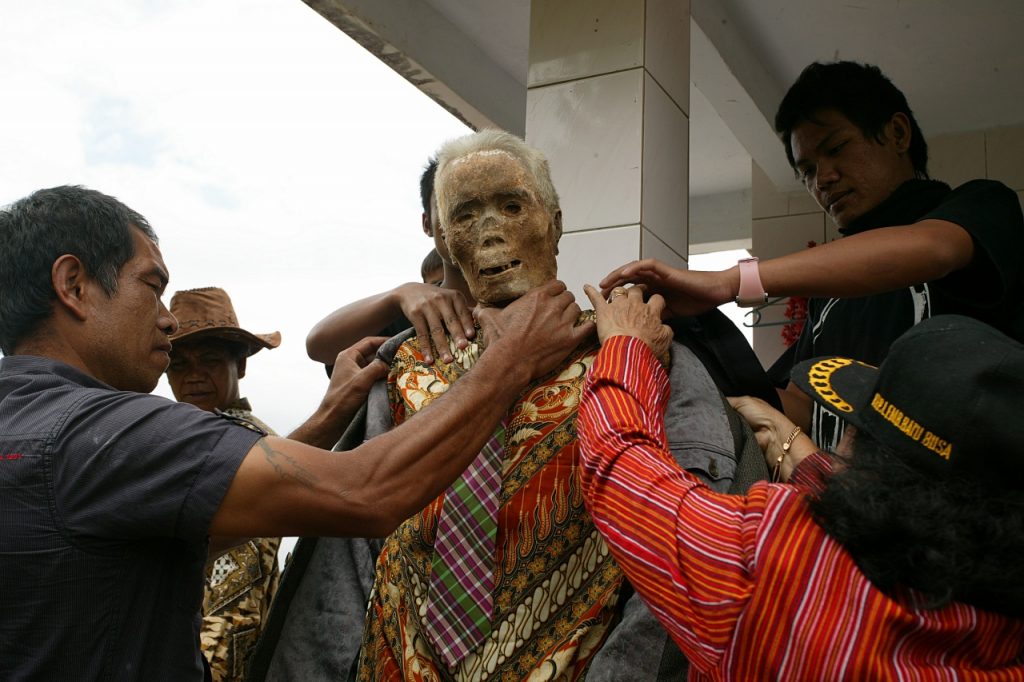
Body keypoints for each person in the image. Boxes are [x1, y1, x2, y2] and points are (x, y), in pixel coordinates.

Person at [0, 184, 590, 681]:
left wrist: (331, 417)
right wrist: (510, 363)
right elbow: (365, 491)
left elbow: (178, 529)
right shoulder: (108, 433)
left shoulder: (36, 426)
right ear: (74, 285)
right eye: (151, 286)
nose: (168, 318)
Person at [354, 130, 751, 681]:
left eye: (513, 205)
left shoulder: (634, 350)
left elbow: (687, 534)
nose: (491, 232)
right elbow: (356, 540)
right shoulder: (407, 367)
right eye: (466, 215)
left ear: (555, 222)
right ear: (443, 239)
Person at [577, 286, 1024, 680]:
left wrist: (627, 345)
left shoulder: (774, 567)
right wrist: (787, 439)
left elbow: (618, 464)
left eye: (854, 426)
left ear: (871, 465)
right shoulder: (1001, 625)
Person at [600, 60, 1024, 452]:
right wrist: (687, 345)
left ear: (898, 133)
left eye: (837, 148)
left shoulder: (981, 206)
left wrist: (730, 282)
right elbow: (805, 407)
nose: (824, 178)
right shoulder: (828, 298)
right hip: (852, 508)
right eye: (806, 171)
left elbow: (934, 248)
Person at [164, 286, 282, 682]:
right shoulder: (184, 440)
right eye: (179, 364)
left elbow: (235, 609)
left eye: (210, 360)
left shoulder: (244, 449)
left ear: (241, 365)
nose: (193, 375)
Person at [306, 159, 476, 367]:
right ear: (427, 223)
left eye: (507, 205)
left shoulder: (526, 309)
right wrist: (398, 296)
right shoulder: (413, 310)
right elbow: (319, 345)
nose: (477, 217)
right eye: (452, 203)